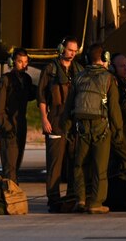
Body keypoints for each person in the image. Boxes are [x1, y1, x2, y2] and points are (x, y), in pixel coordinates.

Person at [70, 43, 126, 214]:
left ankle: (80, 199)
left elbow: (69, 104)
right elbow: (114, 109)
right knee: (99, 167)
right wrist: (118, 131)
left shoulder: (78, 77)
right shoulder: (109, 78)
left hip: (82, 126)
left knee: (79, 165)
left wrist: (67, 126)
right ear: (105, 58)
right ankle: (95, 202)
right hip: (101, 127)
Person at [37, 36, 81, 209]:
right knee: (55, 163)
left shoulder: (78, 69)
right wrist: (44, 118)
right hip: (55, 120)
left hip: (74, 121)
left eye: (75, 51)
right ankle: (54, 199)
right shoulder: (50, 69)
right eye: (70, 50)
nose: (72, 54)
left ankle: (71, 196)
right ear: (62, 48)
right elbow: (41, 96)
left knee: (73, 161)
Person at [0, 47, 36, 183]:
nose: (23, 65)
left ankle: (13, 196)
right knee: (10, 169)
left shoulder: (26, 80)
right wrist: (7, 127)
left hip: (21, 127)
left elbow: (32, 94)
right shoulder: (5, 81)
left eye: (25, 62)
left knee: (16, 166)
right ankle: (10, 199)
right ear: (12, 62)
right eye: (20, 62)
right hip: (10, 129)